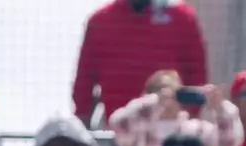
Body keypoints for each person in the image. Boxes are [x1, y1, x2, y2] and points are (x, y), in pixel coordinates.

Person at [72, 0, 207, 126]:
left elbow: (197, 78)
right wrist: (82, 122)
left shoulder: (182, 18)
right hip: (119, 131)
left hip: (170, 132)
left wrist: (190, 124)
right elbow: (84, 82)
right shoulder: (100, 21)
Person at [110, 70, 240, 146]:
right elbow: (118, 123)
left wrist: (220, 107)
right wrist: (154, 102)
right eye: (159, 91)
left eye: (174, 93)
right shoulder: (138, 128)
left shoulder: (195, 129)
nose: (169, 99)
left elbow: (228, 142)